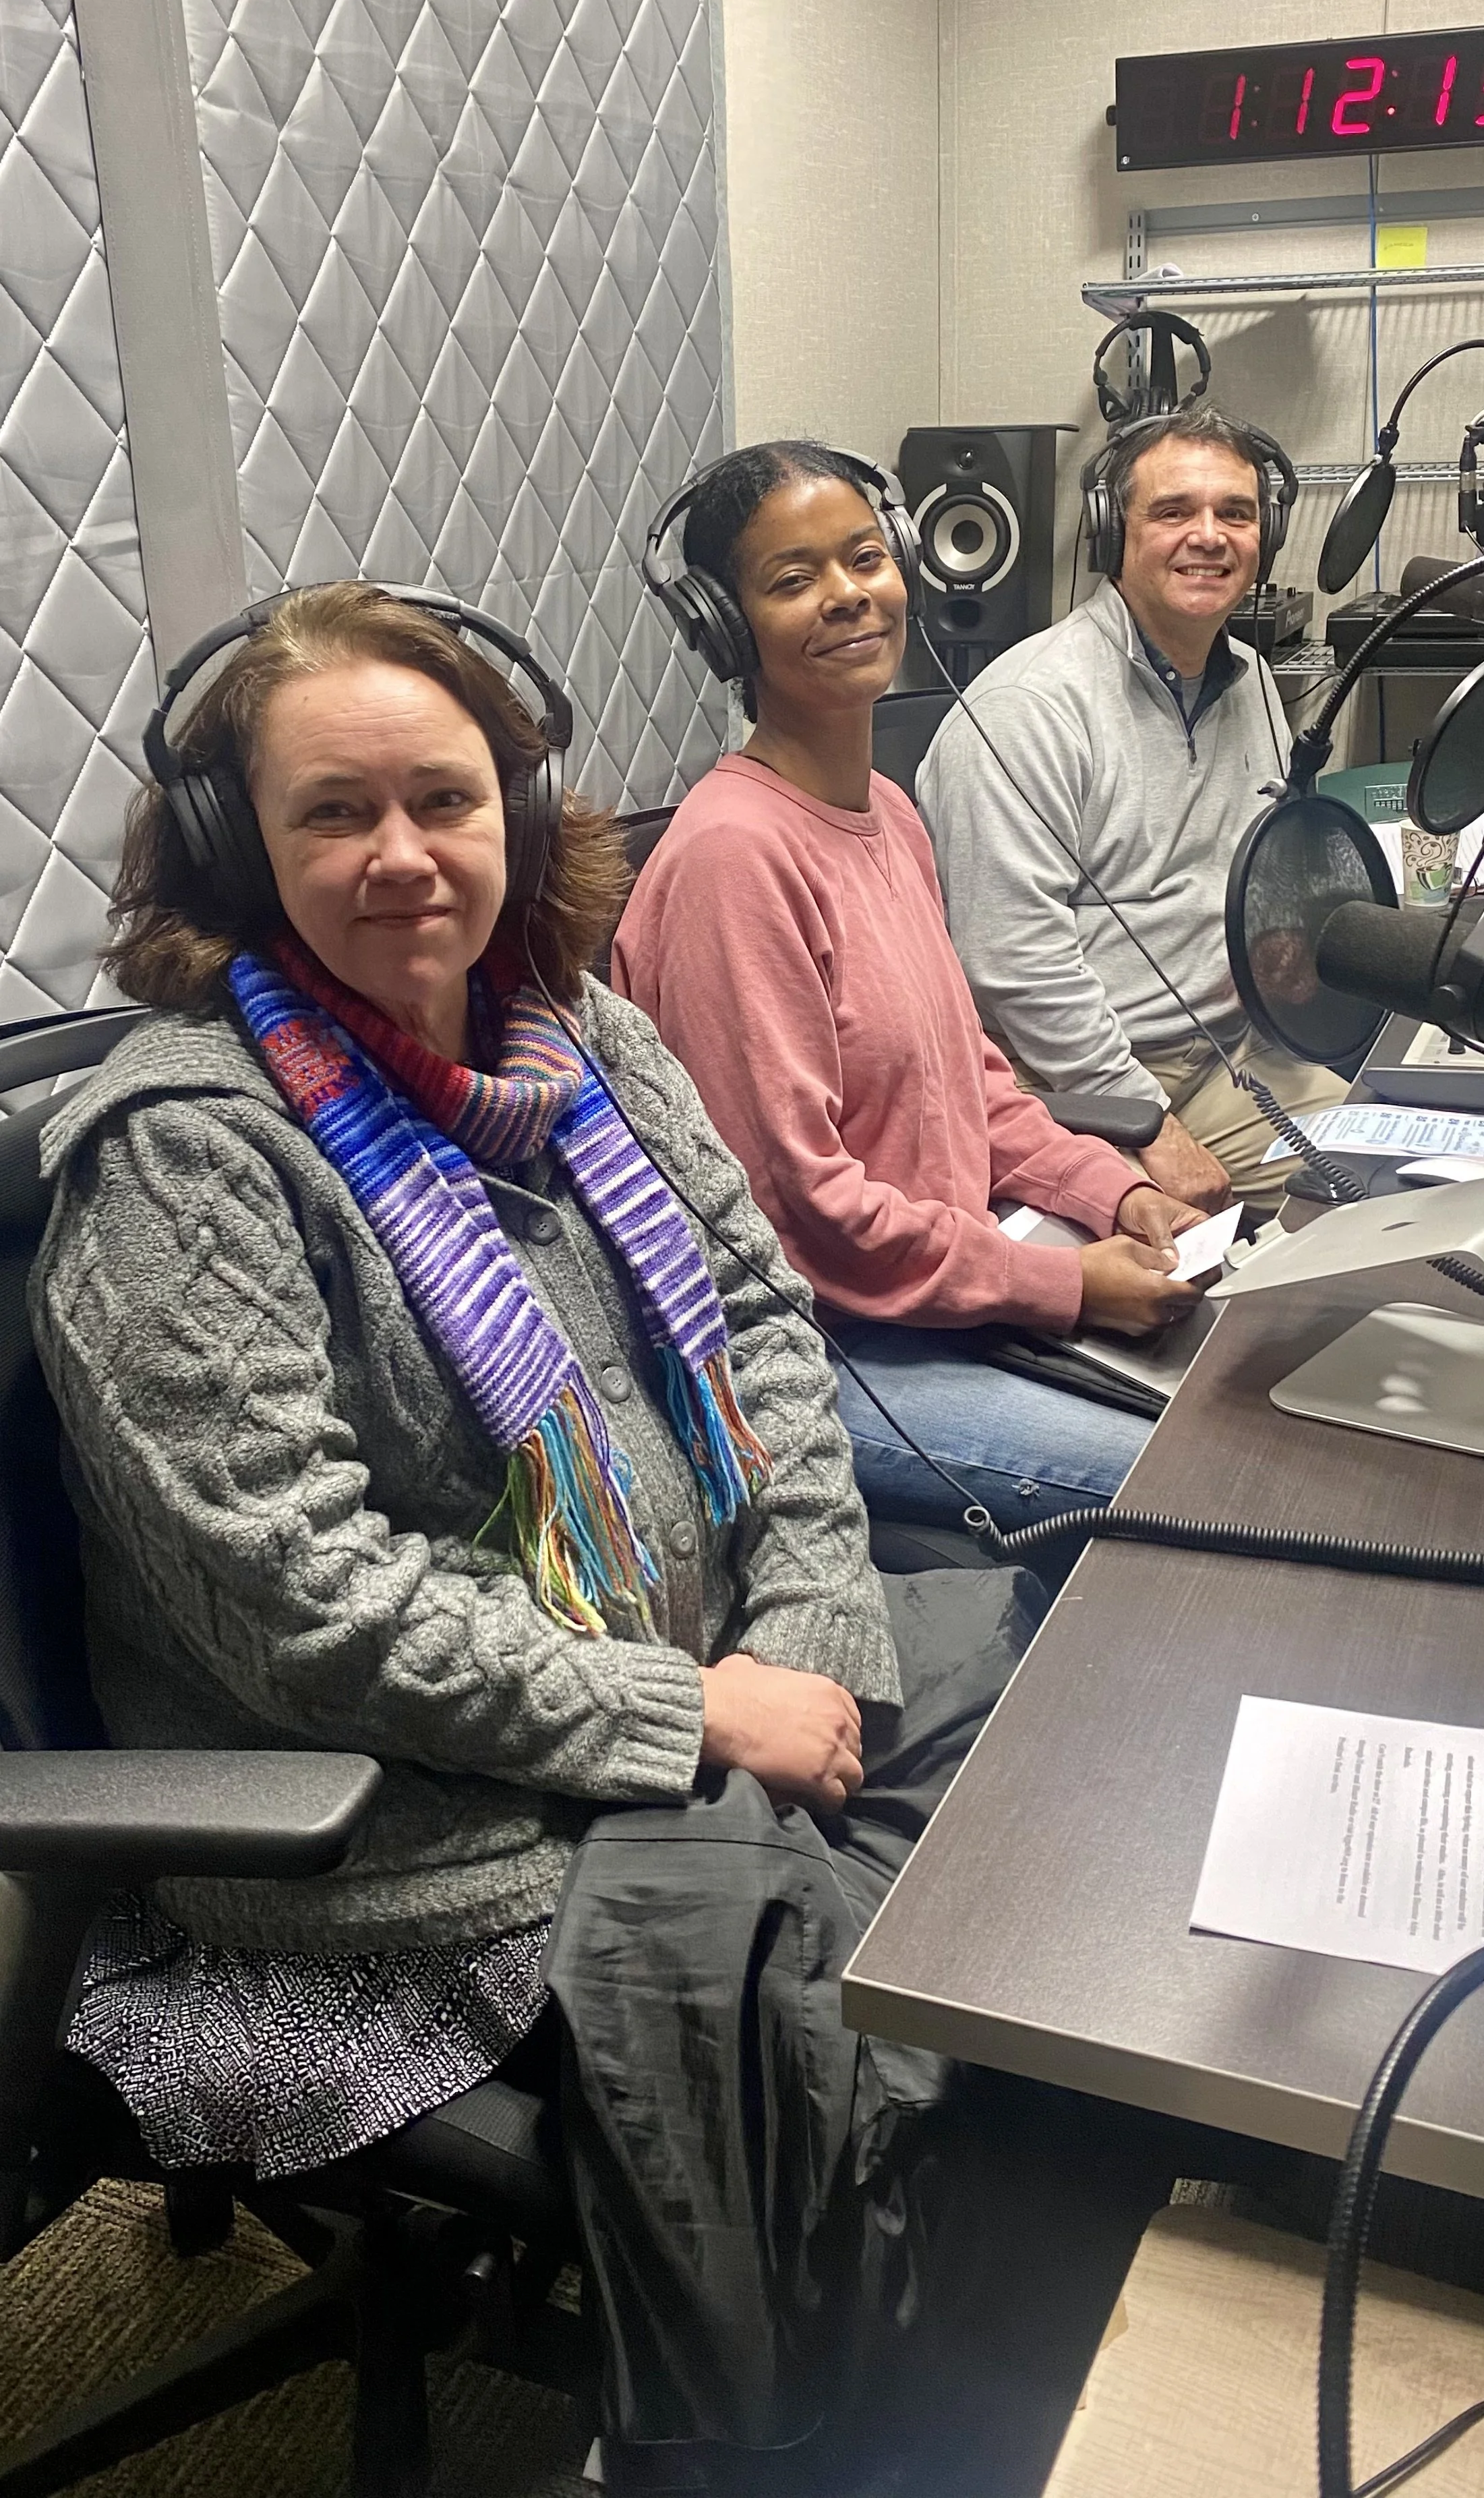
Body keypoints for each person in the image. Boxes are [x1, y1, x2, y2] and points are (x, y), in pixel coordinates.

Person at [29, 581, 1036, 2495]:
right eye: (335, 812)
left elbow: (763, 1338)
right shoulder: (184, 1152)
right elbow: (301, 1604)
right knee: (836, 2024)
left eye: (447, 797)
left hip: (708, 1684)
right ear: (239, 849)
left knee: (1041, 1827)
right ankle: (779, 2442)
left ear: (518, 809)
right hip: (405, 1821)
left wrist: (811, 1623)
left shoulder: (582, 1046)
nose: (404, 855)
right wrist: (692, 1715)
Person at [613, 443, 1204, 1560]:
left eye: (864, 558)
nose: (845, 594)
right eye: (792, 579)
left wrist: (1111, 1191)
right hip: (826, 1358)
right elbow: (799, 1215)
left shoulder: (887, 807)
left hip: (943, 1301)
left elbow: (972, 1078)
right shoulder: (730, 862)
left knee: (1225, 1400)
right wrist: (1060, 1285)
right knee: (1186, 1485)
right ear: (726, 628)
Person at [916, 406, 1348, 1216]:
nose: (1210, 536)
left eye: (1236, 513)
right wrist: (1140, 1118)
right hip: (1076, 1086)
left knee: (1406, 1180)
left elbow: (1257, 861)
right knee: (1286, 1252)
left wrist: (1279, 938)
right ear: (1115, 532)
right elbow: (1013, 962)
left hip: (1233, 1056)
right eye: (1174, 511)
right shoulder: (1028, 708)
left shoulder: (1252, 678)